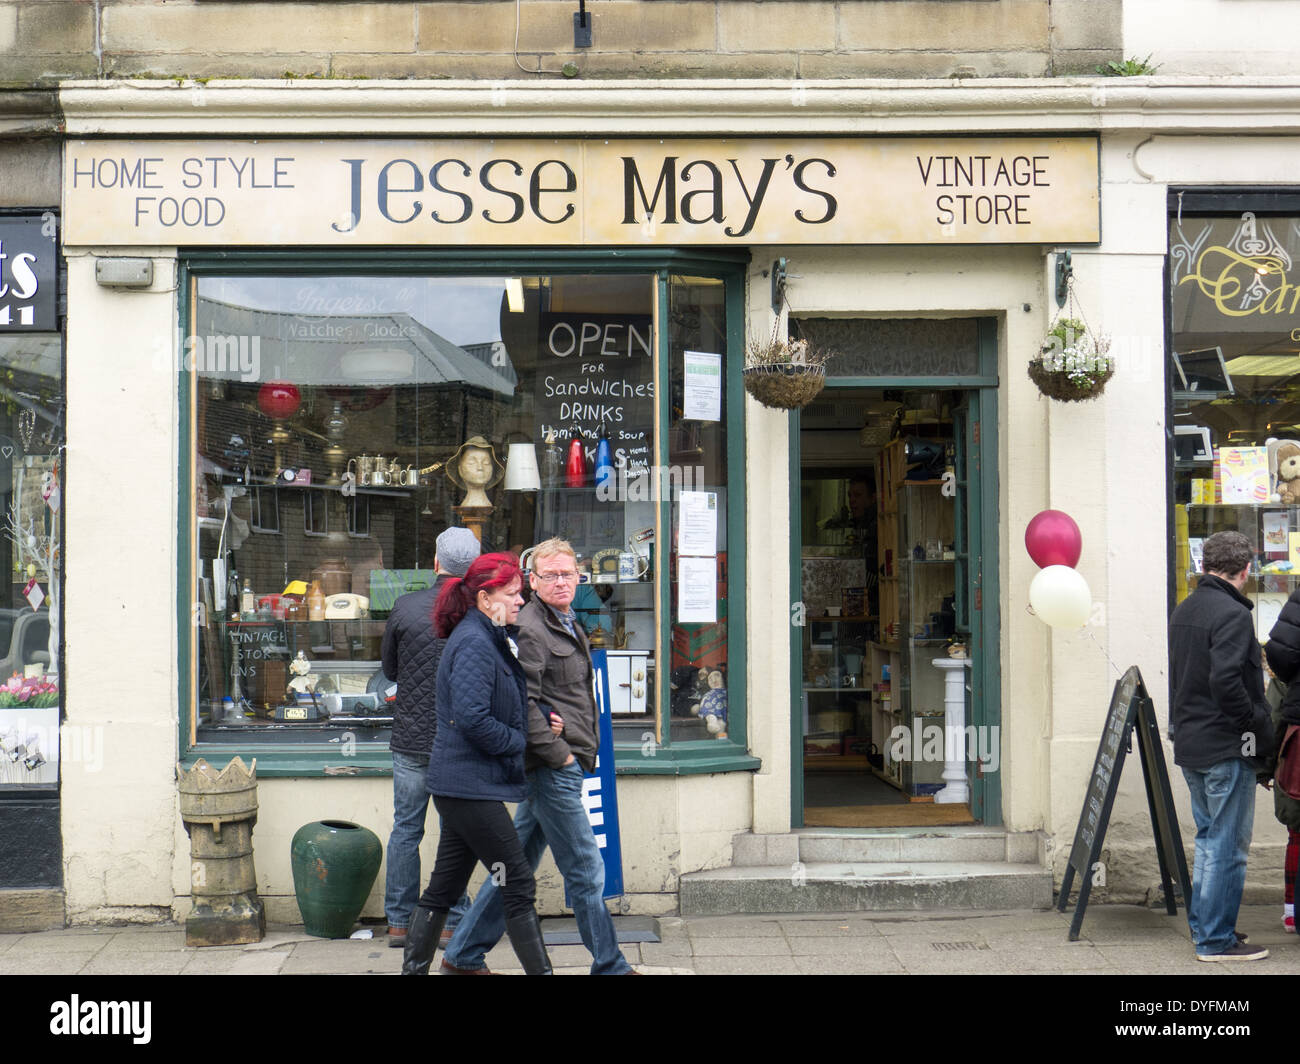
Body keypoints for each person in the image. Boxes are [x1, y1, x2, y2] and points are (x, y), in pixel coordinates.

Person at [441, 538, 636, 975]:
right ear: (533, 580)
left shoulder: (564, 619)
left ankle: (462, 955)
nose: (562, 582)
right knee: (586, 868)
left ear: (580, 576)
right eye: (551, 575)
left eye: (568, 574)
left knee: (516, 867)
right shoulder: (531, 627)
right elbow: (522, 700)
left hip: (560, 765)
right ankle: (611, 966)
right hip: (551, 768)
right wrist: (559, 754)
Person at [401, 551, 557, 976]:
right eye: (513, 594)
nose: (521, 601)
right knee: (517, 883)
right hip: (469, 790)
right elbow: (471, 718)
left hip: (463, 788)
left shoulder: (486, 636)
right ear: (486, 599)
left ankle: (414, 971)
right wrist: (520, 741)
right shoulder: (473, 641)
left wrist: (540, 720)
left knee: (444, 888)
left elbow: (495, 703)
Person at [1168, 530, 1274, 962]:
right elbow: (1227, 681)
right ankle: (1215, 940)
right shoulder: (1232, 614)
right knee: (1227, 847)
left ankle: (1207, 928)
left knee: (1211, 840)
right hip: (1225, 746)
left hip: (1193, 742)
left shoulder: (1186, 608)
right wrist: (1252, 725)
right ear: (1246, 569)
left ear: (1204, 564)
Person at [380, 525, 480, 950]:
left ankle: (400, 923)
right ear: (474, 567)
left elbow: (390, 671)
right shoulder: (481, 610)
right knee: (454, 832)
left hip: (410, 739)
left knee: (406, 829)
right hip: (458, 742)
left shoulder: (405, 606)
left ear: (434, 562)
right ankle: (453, 922)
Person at [1261, 588, 1300, 933]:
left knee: (1297, 833)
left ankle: (1292, 908)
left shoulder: (1286, 671)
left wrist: (1263, 766)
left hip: (1296, 751)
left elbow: (1272, 715)